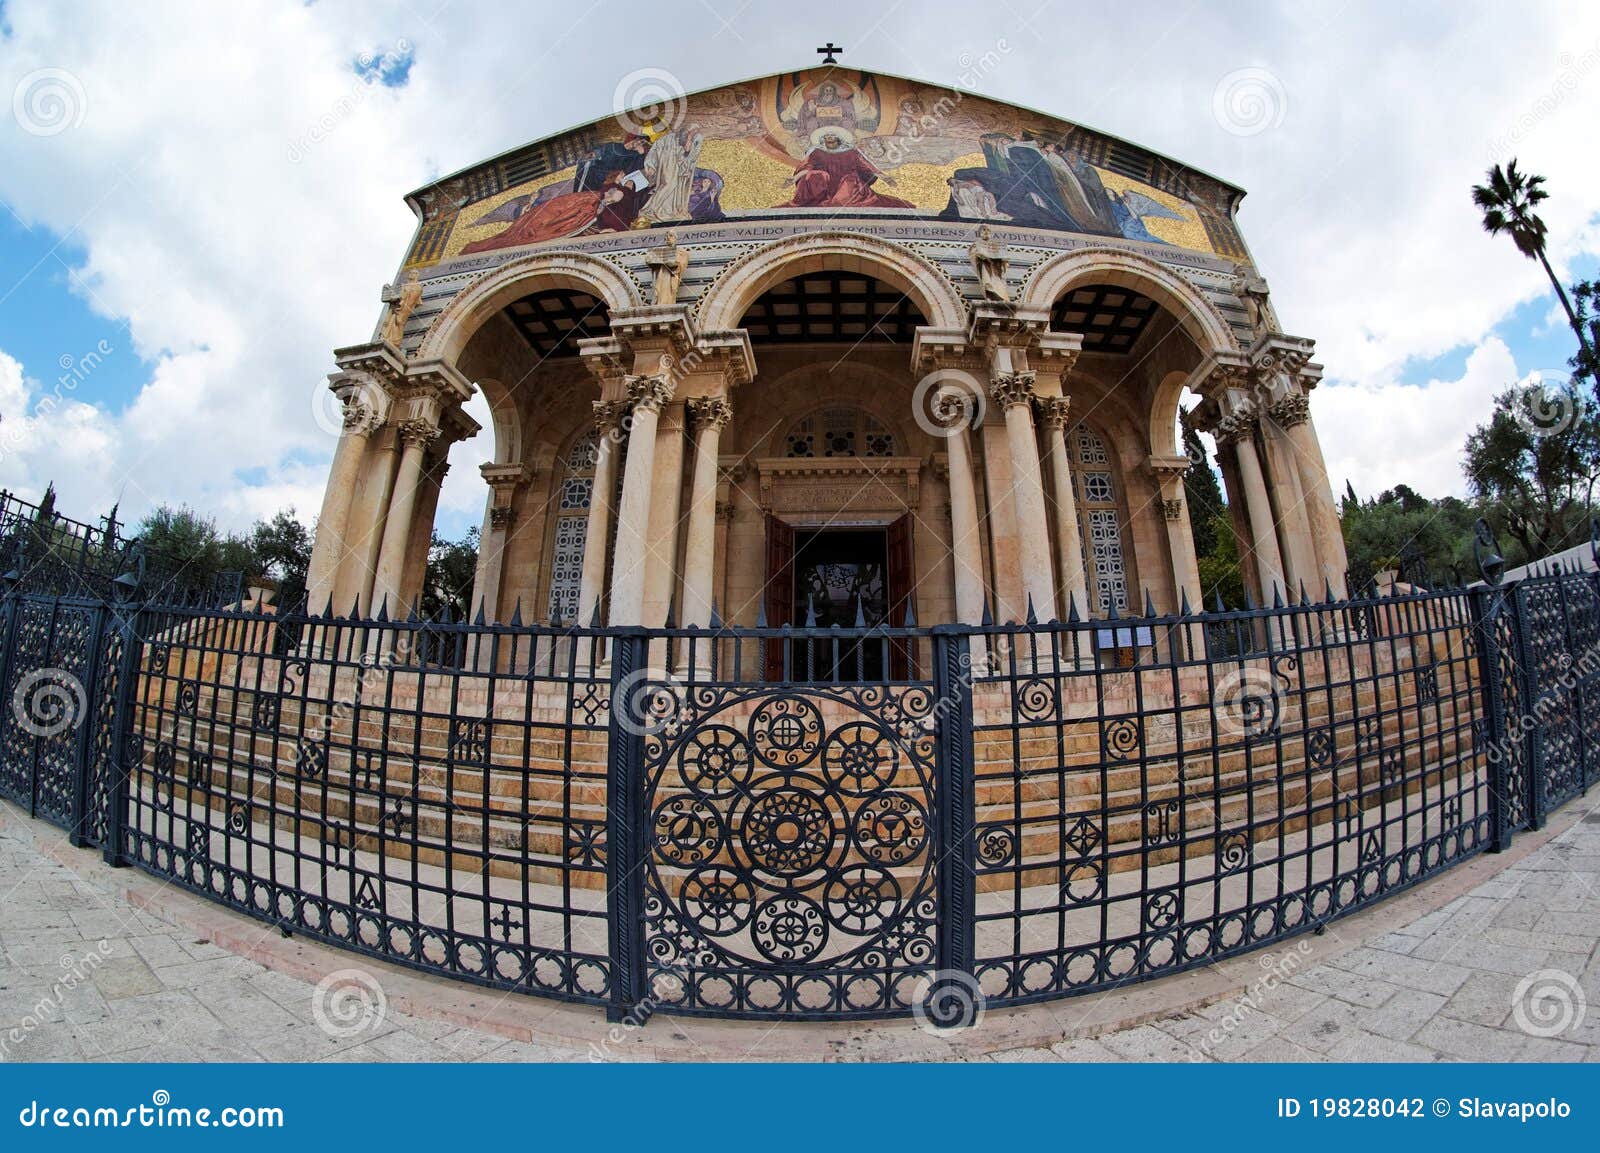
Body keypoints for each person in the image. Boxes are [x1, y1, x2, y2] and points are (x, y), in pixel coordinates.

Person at [782, 128, 913, 209]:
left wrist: (884, 177)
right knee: (815, 174)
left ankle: (839, 200)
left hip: (846, 182)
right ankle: (814, 199)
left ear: (838, 139)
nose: (829, 138)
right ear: (823, 139)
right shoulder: (817, 152)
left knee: (850, 181)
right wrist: (794, 178)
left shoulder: (851, 152)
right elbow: (807, 167)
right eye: (827, 136)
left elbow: (867, 167)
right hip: (823, 185)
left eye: (832, 136)